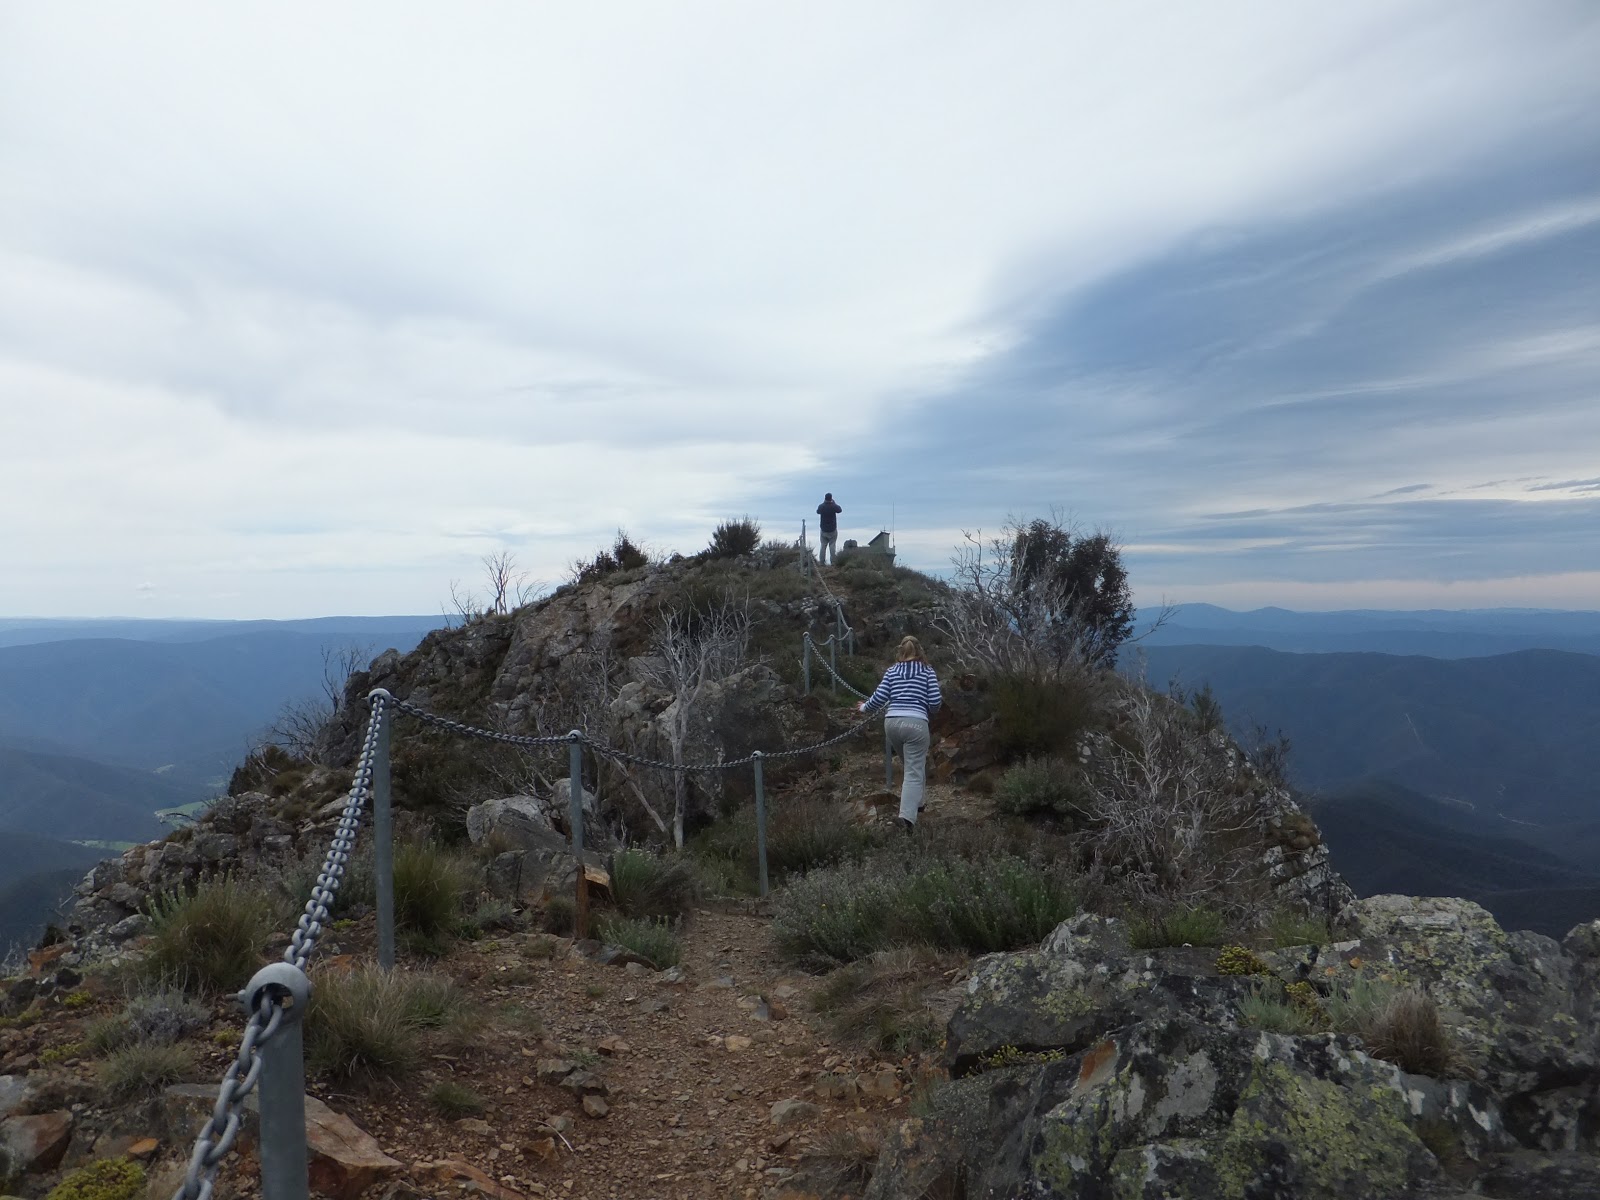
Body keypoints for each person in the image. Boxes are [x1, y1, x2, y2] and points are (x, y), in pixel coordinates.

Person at [858, 635, 942, 831]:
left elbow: (878, 698)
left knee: (911, 764)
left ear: (901, 651)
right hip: (916, 723)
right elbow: (936, 701)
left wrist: (863, 708)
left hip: (892, 723)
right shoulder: (927, 671)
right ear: (920, 651)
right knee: (913, 770)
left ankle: (919, 802)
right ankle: (906, 819)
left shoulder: (892, 671)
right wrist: (929, 708)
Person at [815, 493, 842, 565]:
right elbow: (839, 510)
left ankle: (821, 562)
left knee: (823, 546)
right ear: (831, 498)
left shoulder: (822, 506)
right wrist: (834, 503)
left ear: (825, 498)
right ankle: (833, 562)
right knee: (832, 545)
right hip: (832, 529)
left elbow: (818, 511)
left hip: (823, 529)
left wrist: (824, 503)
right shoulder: (833, 506)